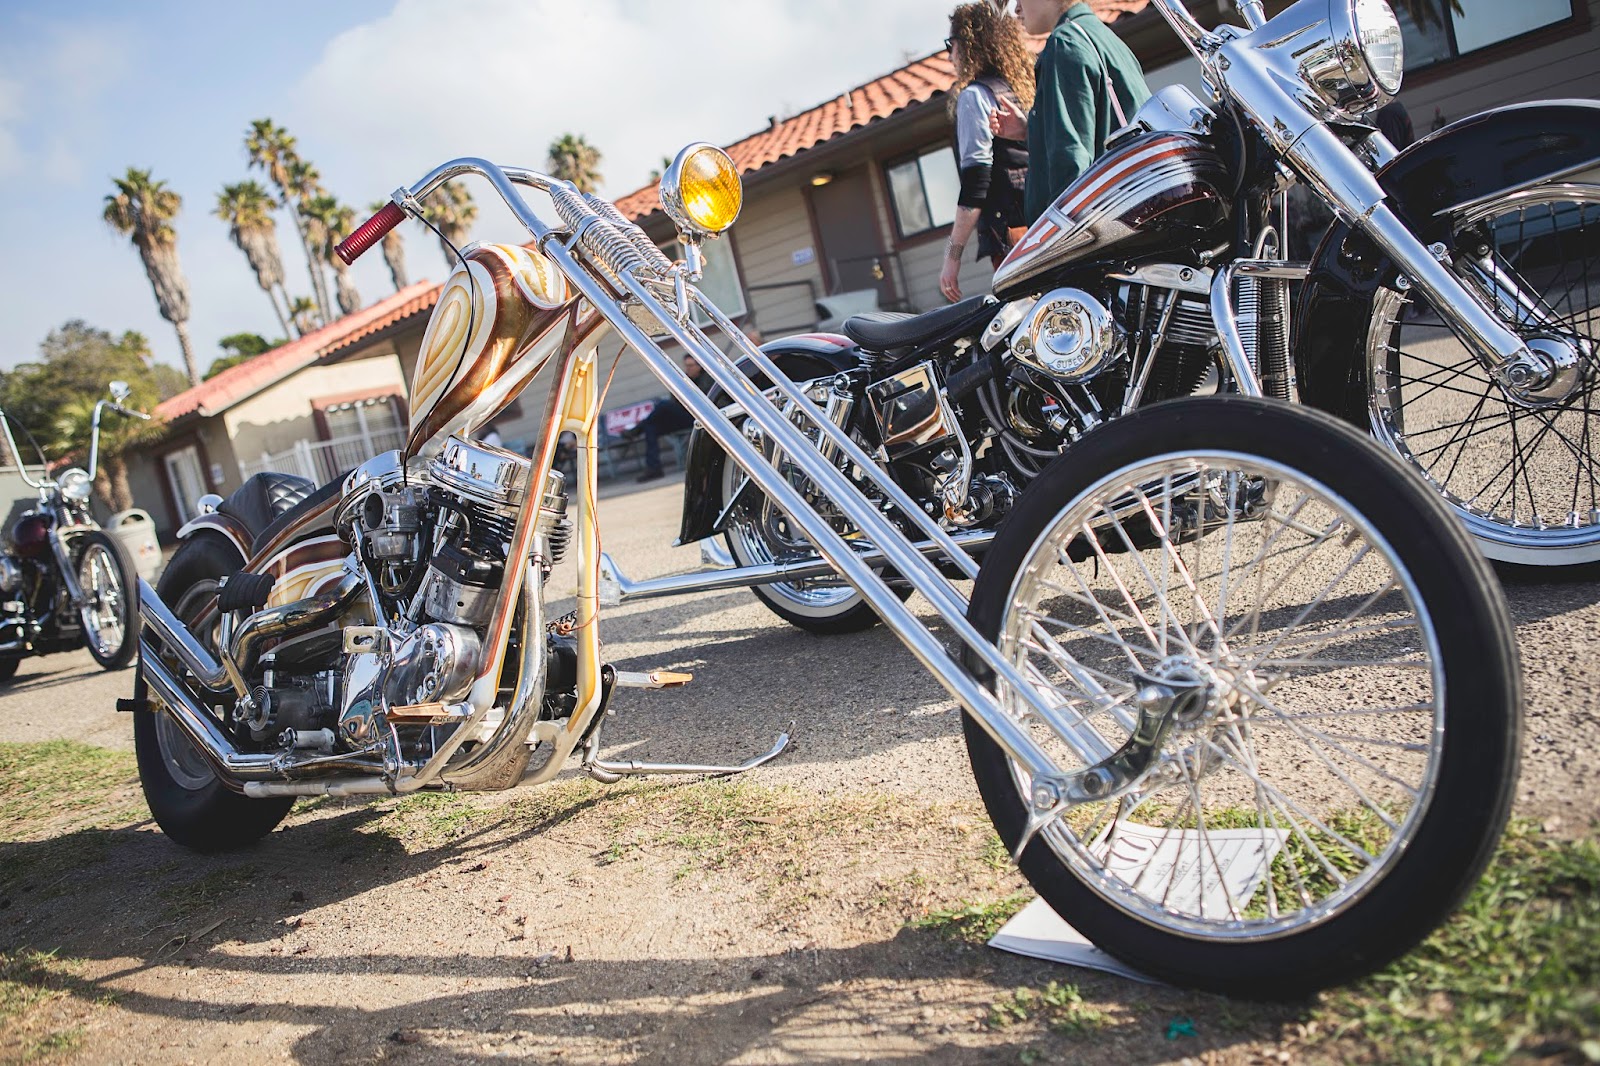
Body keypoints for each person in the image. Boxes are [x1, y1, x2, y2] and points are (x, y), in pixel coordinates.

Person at [992, 0, 1150, 224]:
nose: (1016, 8)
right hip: (1131, 211)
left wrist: (1055, 238)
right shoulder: (1104, 37)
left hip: (1101, 228)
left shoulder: (1065, 43)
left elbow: (1072, 160)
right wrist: (1031, 131)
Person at [939, 2, 1035, 303]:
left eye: (950, 45)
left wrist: (951, 258)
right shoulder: (1023, 89)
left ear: (965, 46)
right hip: (1046, 223)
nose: (950, 55)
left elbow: (976, 185)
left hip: (1011, 235)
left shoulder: (974, 98)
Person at [633, 353, 713, 482]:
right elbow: (675, 402)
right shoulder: (683, 380)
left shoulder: (707, 380)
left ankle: (636, 430)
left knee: (663, 405)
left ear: (699, 367)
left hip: (697, 419)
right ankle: (654, 469)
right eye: (686, 366)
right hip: (681, 418)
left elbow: (702, 403)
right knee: (651, 428)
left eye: (691, 366)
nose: (688, 369)